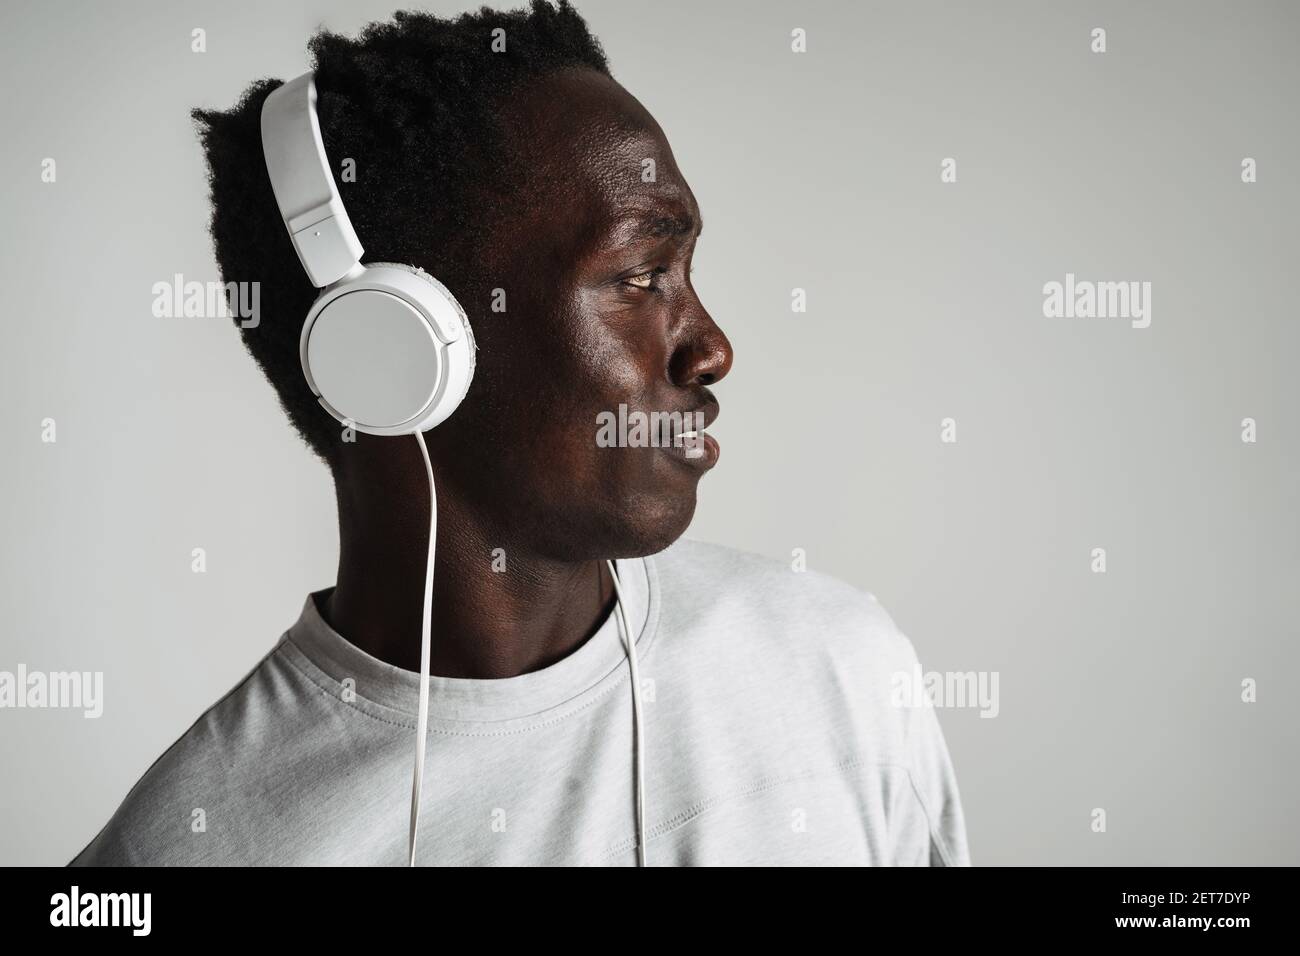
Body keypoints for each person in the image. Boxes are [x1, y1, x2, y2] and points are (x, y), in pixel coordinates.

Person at [69, 0, 970, 866]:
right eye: (640, 276)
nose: (713, 349)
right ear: (394, 347)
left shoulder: (840, 668)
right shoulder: (196, 847)